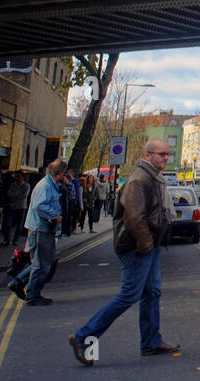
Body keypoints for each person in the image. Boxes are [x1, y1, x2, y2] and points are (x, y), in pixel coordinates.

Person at [69, 139, 179, 365]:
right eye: (161, 154)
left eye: (168, 154)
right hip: (137, 247)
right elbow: (134, 218)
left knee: (152, 292)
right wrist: (147, 244)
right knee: (129, 294)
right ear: (147, 156)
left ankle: (151, 342)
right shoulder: (139, 180)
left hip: (150, 245)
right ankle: (83, 337)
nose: (166, 158)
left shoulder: (153, 178)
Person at [9, 159, 67, 306]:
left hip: (44, 228)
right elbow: (39, 206)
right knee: (41, 264)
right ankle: (32, 295)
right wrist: (54, 216)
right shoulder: (46, 185)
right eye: (64, 173)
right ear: (60, 173)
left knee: (45, 261)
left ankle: (18, 282)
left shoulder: (50, 184)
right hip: (40, 228)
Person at [2, 172, 30, 246]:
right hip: (13, 207)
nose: (17, 178)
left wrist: (14, 195)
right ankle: (7, 240)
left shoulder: (26, 185)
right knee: (8, 224)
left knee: (19, 225)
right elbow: (9, 194)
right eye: (16, 177)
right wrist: (17, 195)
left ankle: (15, 240)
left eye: (19, 176)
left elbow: (24, 196)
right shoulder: (13, 185)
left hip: (21, 207)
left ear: (22, 177)